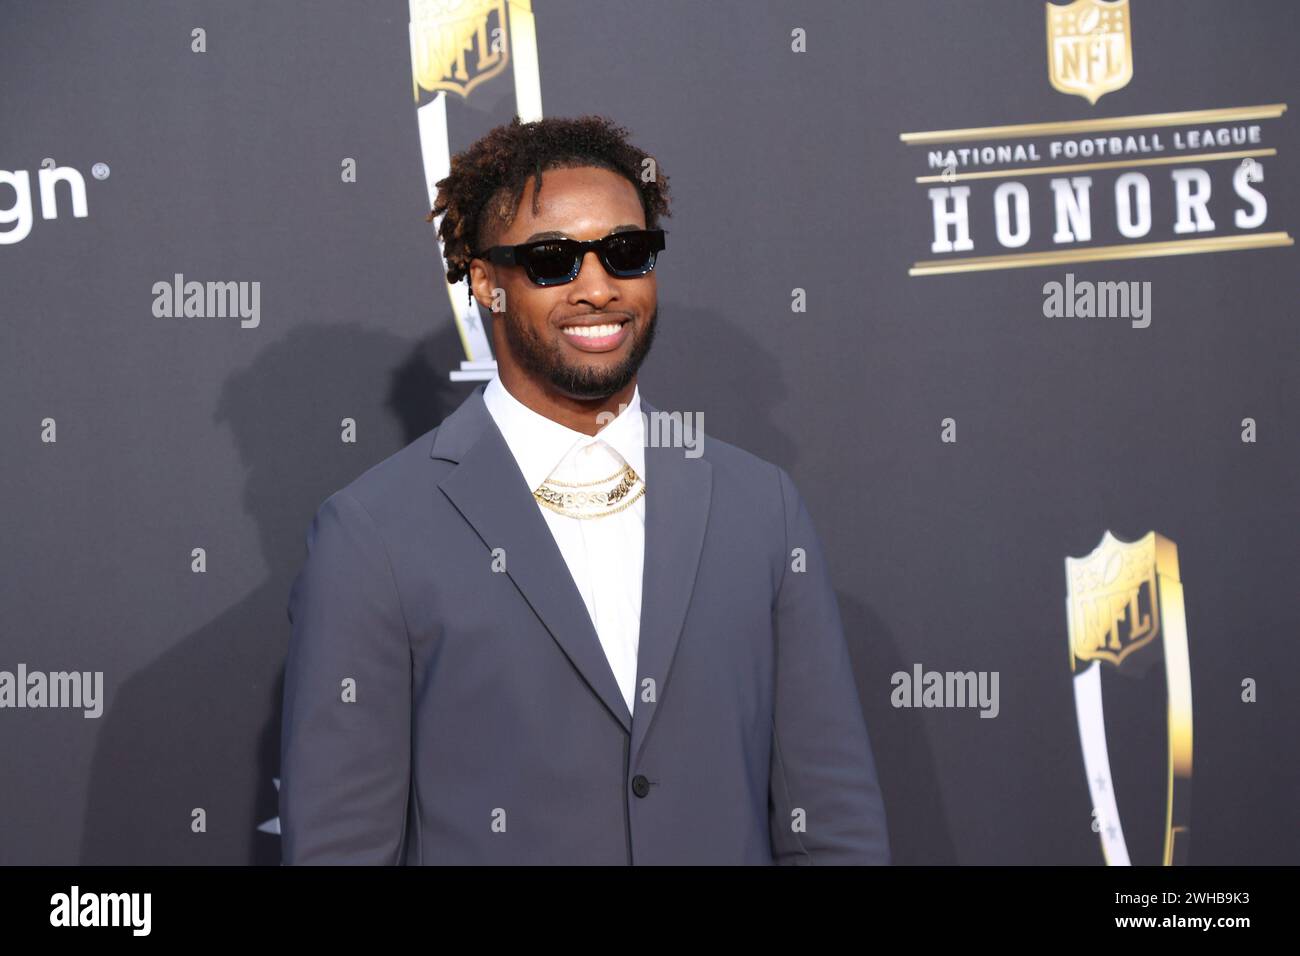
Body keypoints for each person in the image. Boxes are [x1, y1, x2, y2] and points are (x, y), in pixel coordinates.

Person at [280, 114, 889, 864]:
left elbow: (832, 816)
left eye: (625, 253)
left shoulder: (761, 507)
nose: (598, 288)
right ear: (485, 283)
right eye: (552, 260)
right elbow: (341, 848)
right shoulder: (373, 535)